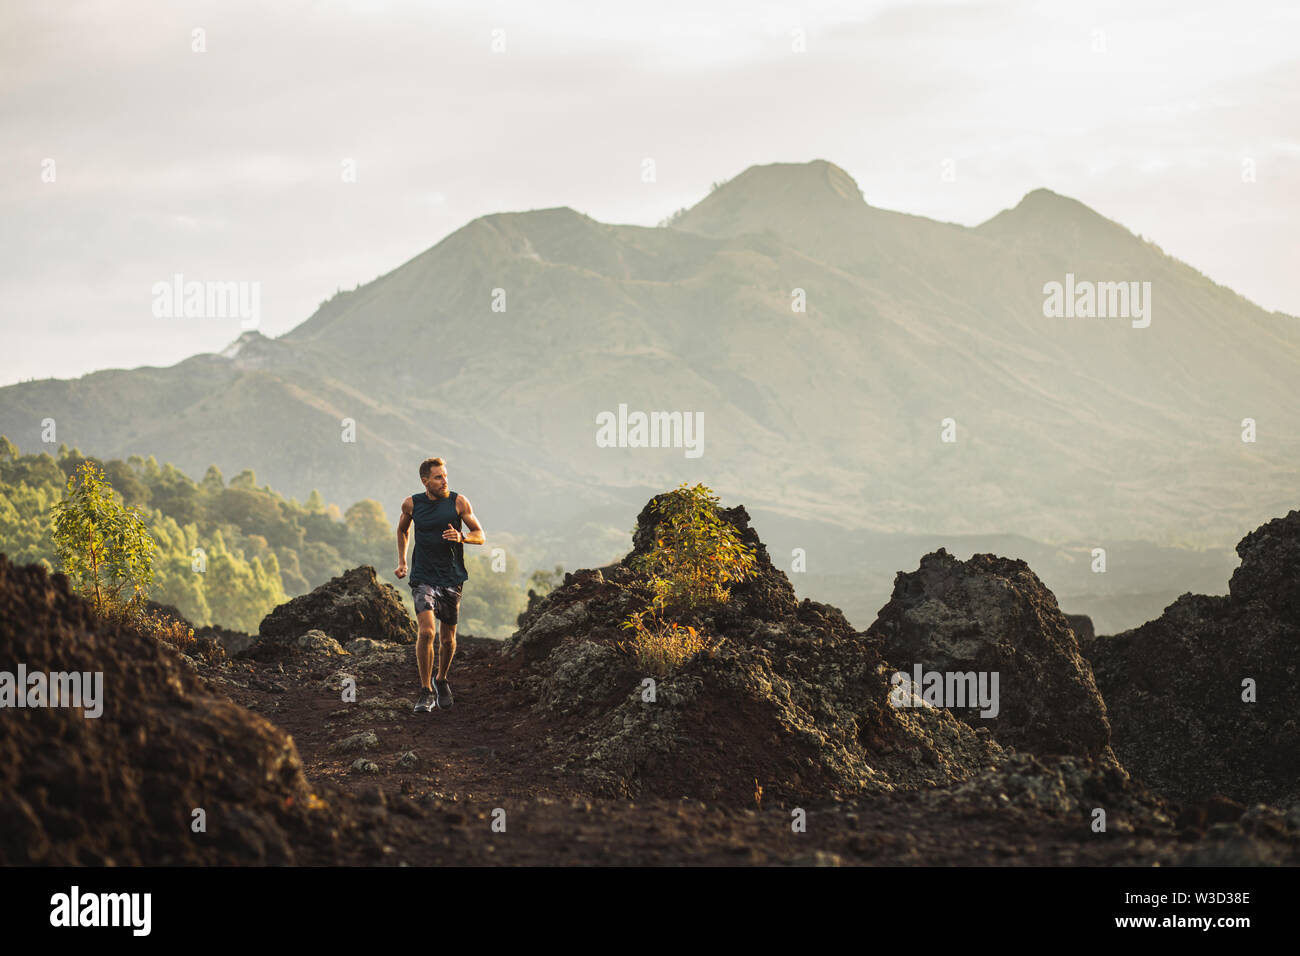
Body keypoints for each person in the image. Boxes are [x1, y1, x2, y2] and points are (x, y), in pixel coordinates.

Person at [394, 457, 484, 712]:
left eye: (445, 476)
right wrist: (402, 562)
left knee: (447, 639)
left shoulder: (458, 501)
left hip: (451, 576)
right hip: (423, 576)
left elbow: (481, 534)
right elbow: (402, 530)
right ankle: (426, 691)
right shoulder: (412, 504)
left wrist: (462, 536)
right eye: (438, 477)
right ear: (425, 481)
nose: (444, 481)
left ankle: (441, 679)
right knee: (426, 632)